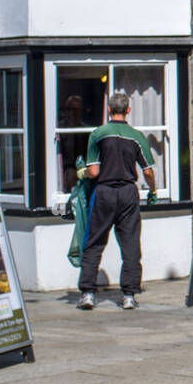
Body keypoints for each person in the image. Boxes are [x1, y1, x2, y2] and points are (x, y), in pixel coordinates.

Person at [76, 93, 157, 311]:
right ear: (128, 110)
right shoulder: (137, 136)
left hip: (104, 192)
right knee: (130, 244)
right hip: (128, 193)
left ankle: (88, 293)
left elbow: (94, 171)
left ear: (108, 109)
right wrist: (152, 191)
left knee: (94, 242)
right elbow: (148, 171)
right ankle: (129, 295)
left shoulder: (98, 134)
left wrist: (81, 173)